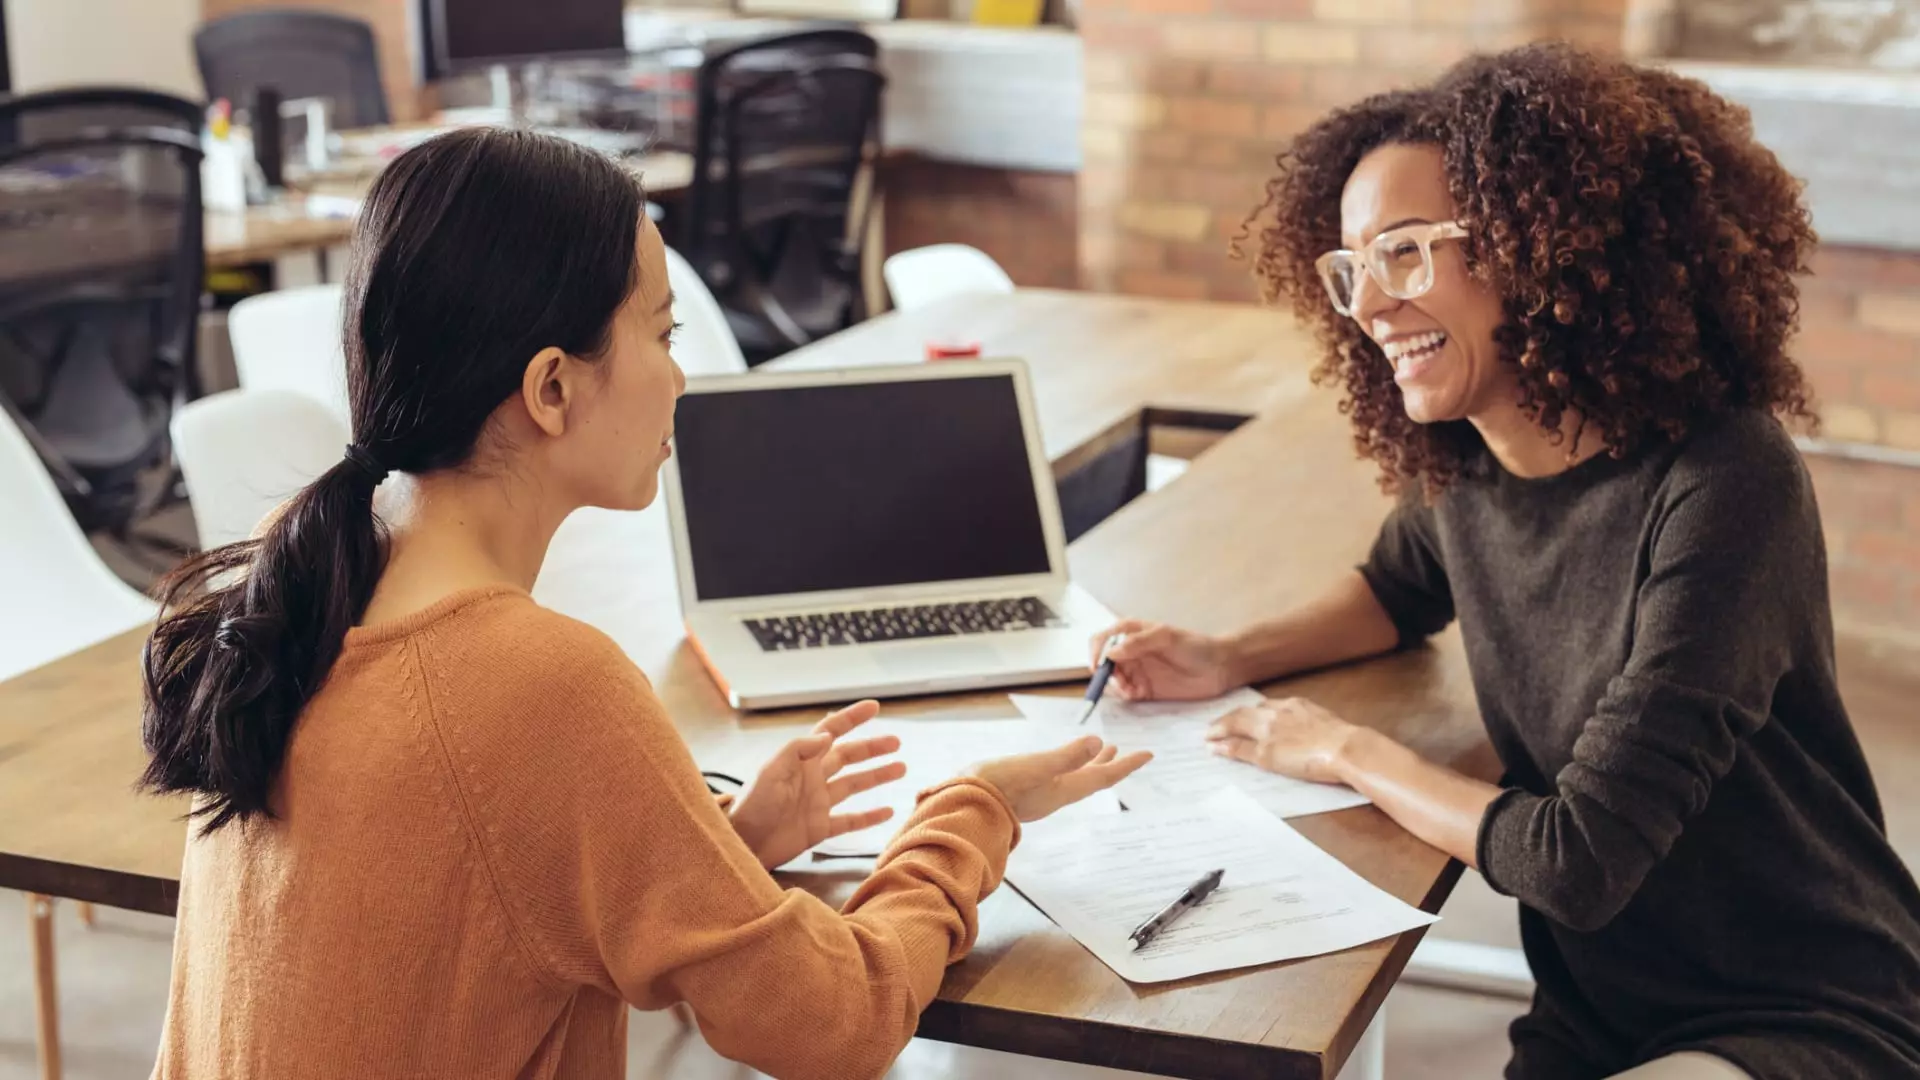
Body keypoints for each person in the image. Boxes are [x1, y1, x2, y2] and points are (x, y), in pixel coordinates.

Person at [140, 127, 1150, 1080]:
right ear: (550, 390)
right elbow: (834, 1022)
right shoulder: (540, 682)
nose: (680, 377)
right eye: (663, 334)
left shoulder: (302, 577)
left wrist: (714, 842)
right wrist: (975, 813)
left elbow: (464, 884)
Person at [1093, 43, 1920, 1080]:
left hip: (1799, 1000)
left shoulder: (1724, 480)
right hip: (1595, 1006)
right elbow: (1397, 591)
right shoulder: (1472, 463)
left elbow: (1573, 862)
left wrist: (1345, 751)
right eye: (1351, 269)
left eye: (1404, 252)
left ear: (1541, 246)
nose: (1368, 306)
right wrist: (1226, 655)